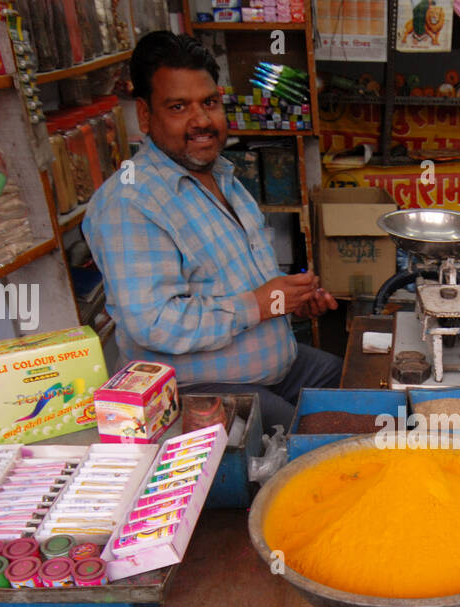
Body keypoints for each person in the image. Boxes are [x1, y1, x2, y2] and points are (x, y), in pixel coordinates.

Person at [84, 31, 340, 430]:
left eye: (210, 103)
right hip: (198, 389)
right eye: (178, 106)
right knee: (313, 445)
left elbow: (246, 285)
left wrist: (288, 301)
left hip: (274, 369)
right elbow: (152, 321)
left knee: (350, 384)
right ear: (145, 116)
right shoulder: (130, 202)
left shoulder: (221, 175)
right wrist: (258, 304)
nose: (202, 120)